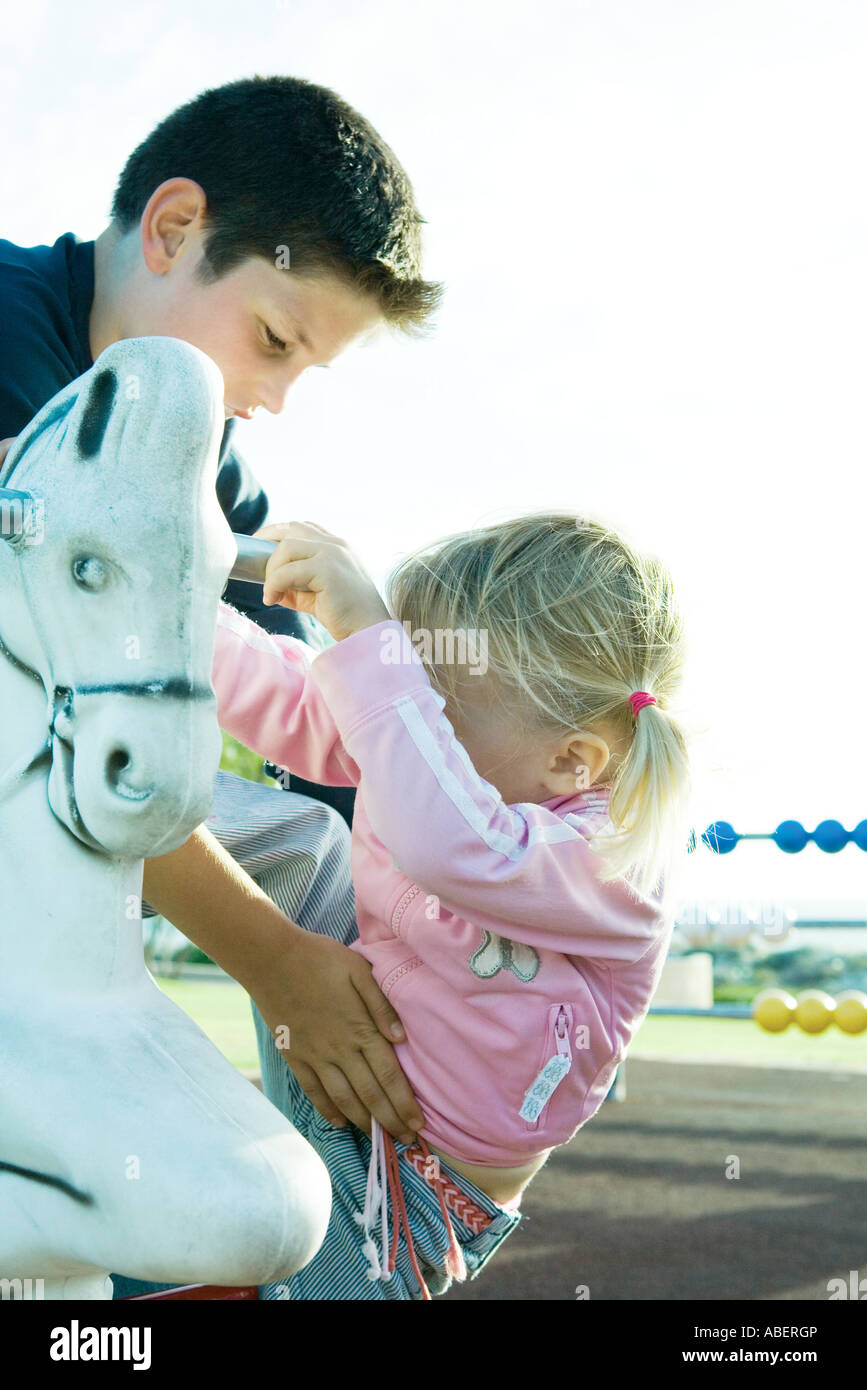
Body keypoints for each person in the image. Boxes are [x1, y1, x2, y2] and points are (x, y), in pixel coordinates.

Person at [0, 72, 446, 1297]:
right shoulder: (7, 341)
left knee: (319, 843)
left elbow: (309, 711)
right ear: (174, 228)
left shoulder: (204, 471)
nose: (274, 397)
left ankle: (351, 1258)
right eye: (275, 341)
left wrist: (454, 900)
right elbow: (55, 737)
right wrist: (280, 967)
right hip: (23, 788)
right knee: (284, 887)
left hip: (66, 795)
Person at [208, 510, 695, 1299]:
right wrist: (153, 582)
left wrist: (372, 643)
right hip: (346, 1043)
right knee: (305, 838)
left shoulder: (616, 854)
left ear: (570, 760)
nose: (401, 714)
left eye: (428, 700)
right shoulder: (421, 750)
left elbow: (454, 845)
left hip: (404, 1195)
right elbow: (296, 704)